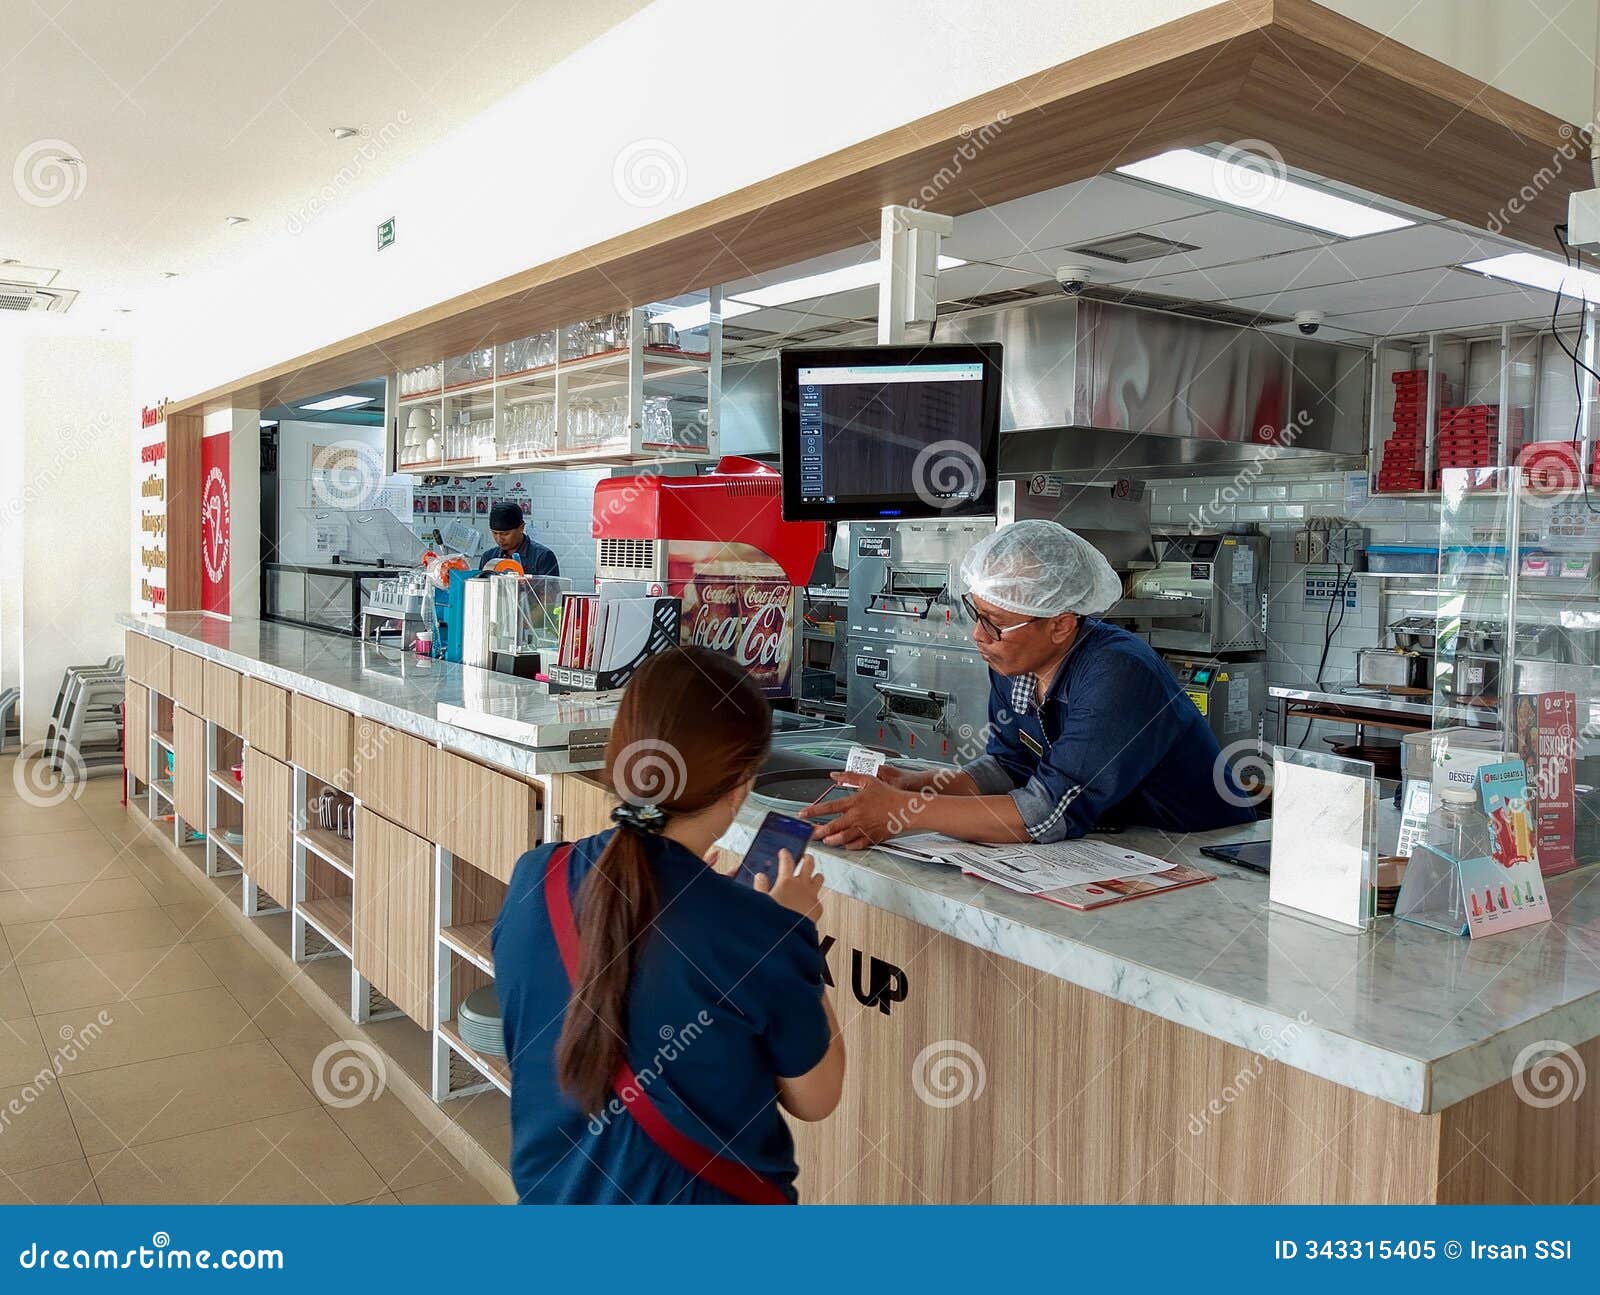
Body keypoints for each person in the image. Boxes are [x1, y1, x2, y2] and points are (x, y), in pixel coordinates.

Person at [493, 646, 845, 1204]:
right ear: (739, 788)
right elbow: (816, 1097)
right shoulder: (761, 934)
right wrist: (793, 931)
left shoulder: (536, 876)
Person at [806, 519, 1256, 848]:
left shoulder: (1117, 674)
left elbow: (1043, 813)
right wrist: (915, 784)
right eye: (976, 613)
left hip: (1197, 848)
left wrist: (903, 815)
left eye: (995, 622)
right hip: (1122, 844)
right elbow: (1011, 767)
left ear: (1060, 625)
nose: (978, 635)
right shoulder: (1015, 657)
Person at [479, 500, 559, 576]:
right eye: (495, 533)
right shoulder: (488, 557)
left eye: (505, 534)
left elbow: (551, 589)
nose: (499, 539)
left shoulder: (542, 557)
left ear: (521, 528)